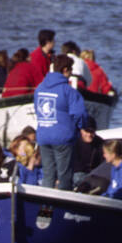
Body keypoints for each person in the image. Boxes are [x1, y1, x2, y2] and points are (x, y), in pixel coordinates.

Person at [34, 54, 88, 192]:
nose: (70, 75)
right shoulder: (68, 91)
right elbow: (80, 114)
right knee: (64, 176)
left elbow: (37, 109)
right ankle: (63, 208)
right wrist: (80, 127)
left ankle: (45, 207)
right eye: (70, 71)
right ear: (65, 70)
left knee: (48, 175)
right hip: (63, 138)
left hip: (43, 136)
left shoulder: (40, 88)